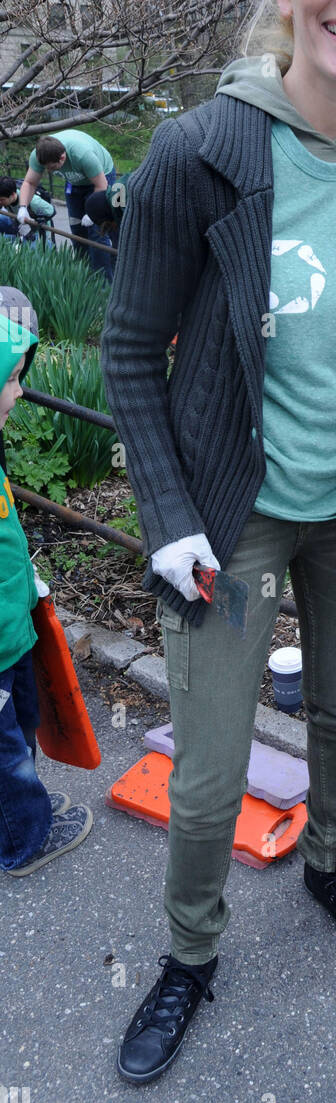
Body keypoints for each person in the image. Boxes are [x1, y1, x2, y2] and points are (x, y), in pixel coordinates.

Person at [100, 0, 336, 1085]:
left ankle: (335, 864)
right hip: (227, 515)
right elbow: (131, 353)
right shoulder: (202, 150)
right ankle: (189, 956)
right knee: (209, 775)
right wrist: (166, 511)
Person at [0, 286, 93, 877]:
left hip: (13, 628)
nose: (19, 390)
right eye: (9, 380)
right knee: (4, 751)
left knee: (23, 722)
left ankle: (19, 806)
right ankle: (22, 839)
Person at [16, 131, 118, 280]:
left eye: (52, 168)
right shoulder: (39, 155)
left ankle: (103, 283)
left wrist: (92, 214)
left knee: (96, 232)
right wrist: (23, 207)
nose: (49, 172)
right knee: (77, 229)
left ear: (62, 157)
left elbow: (101, 185)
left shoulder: (83, 155)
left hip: (101, 179)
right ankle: (84, 275)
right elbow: (30, 182)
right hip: (74, 181)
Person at [0, 176, 55, 241]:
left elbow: (52, 211)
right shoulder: (7, 199)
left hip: (38, 231)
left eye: (2, 200)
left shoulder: (33, 201)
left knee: (29, 246)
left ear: (13, 195)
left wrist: (33, 222)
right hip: (19, 225)